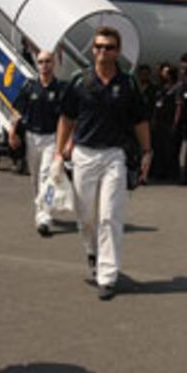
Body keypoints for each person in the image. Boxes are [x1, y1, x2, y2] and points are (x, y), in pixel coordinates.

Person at [52, 27, 152, 300]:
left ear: (117, 51)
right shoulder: (79, 81)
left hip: (114, 156)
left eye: (109, 47)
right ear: (92, 50)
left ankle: (108, 275)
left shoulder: (128, 84)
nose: (103, 52)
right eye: (98, 47)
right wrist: (59, 153)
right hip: (84, 154)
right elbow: (66, 119)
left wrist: (146, 151)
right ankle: (93, 253)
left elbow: (140, 120)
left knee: (110, 216)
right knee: (86, 218)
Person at [8, 50, 65, 237]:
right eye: (40, 62)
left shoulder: (60, 88)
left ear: (53, 63)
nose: (44, 65)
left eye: (47, 61)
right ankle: (40, 208)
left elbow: (67, 118)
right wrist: (12, 132)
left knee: (46, 177)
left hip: (52, 138)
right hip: (32, 137)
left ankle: (45, 216)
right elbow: (17, 110)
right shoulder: (30, 87)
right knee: (35, 179)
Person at [150, 63, 180, 182]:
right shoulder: (159, 87)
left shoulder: (177, 87)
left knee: (170, 149)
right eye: (163, 72)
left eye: (167, 72)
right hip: (159, 121)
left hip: (169, 121)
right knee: (158, 148)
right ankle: (159, 172)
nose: (165, 74)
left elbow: (178, 106)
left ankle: (173, 173)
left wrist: (175, 123)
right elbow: (155, 105)